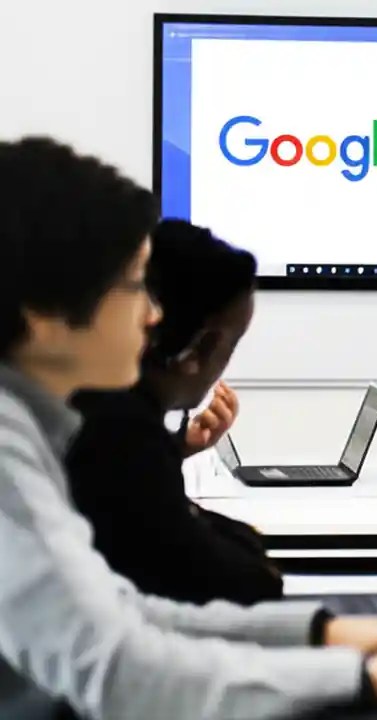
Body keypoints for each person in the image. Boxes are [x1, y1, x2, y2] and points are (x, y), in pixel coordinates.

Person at [0, 137, 377, 719]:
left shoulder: (30, 426)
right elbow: (118, 669)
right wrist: (367, 678)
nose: (154, 315)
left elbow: (124, 614)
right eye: (134, 285)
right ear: (43, 317)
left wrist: (326, 636)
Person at [66, 220, 281, 605]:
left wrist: (175, 448)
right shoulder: (121, 433)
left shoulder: (86, 400)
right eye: (231, 346)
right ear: (200, 348)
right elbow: (220, 579)